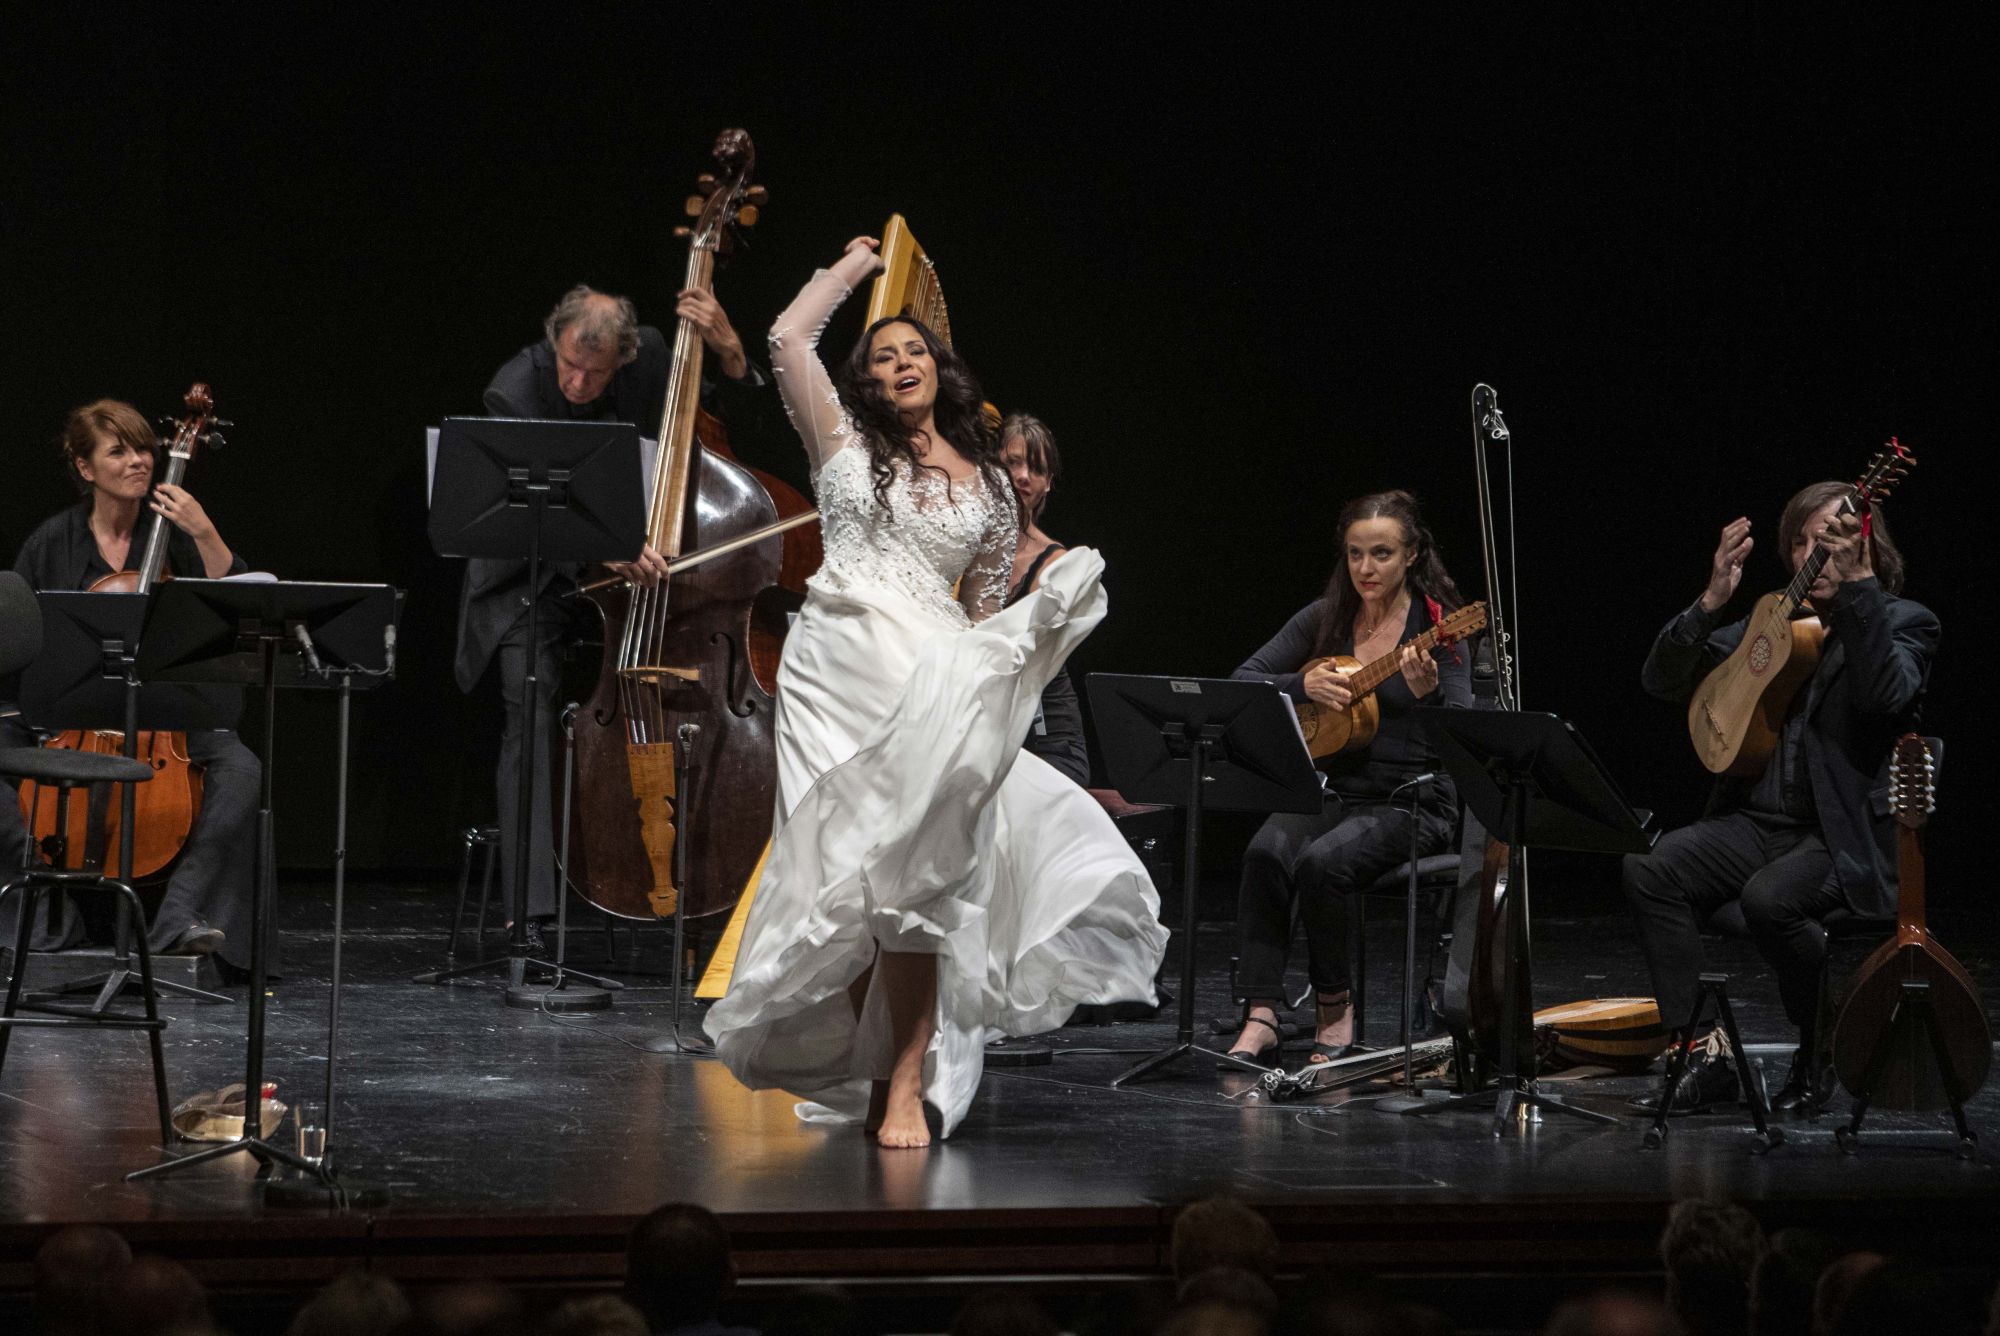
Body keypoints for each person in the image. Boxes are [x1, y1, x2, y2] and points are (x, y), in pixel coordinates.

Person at [703, 236, 1167, 1148]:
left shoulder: (989, 485)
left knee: (917, 887)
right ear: (866, 382)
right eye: (882, 356)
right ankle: (874, 1065)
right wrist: (850, 270)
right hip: (832, 673)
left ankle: (906, 1082)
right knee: (842, 886)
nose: (900, 362)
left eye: (913, 349)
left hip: (929, 679)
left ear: (939, 369)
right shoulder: (840, 440)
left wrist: (1025, 654)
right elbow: (788, 338)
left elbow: (985, 613)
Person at [453, 284, 767, 954]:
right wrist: (606, 546)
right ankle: (529, 917)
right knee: (529, 712)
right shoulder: (514, 390)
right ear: (554, 339)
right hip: (531, 580)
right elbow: (522, 516)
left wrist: (731, 353)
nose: (577, 383)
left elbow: (709, 424)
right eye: (569, 365)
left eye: (594, 374)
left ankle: (700, 883)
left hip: (638, 586)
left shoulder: (650, 353)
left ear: (623, 358)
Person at [1623, 483, 1936, 1114]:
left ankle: (1817, 1046)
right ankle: (1700, 1050)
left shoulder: (1904, 620)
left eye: (1828, 540)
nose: (1811, 555)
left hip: (1837, 837)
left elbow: (1885, 698)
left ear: (1863, 545)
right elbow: (1662, 680)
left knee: (1770, 899)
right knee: (1649, 867)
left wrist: (1860, 589)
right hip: (1754, 824)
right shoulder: (1770, 621)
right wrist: (1711, 602)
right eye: (1799, 542)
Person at [2, 399, 258, 966]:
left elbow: (236, 603)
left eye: (144, 448)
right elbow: (17, 634)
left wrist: (205, 531)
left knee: (241, 768)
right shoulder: (52, 542)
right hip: (71, 715)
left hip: (168, 717)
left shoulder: (179, 536)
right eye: (118, 451)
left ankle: (180, 917)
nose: (139, 461)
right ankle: (45, 918)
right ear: (85, 467)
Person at [1223, 490, 1470, 1066]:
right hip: (1335, 792)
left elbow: (1466, 730)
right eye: (1356, 553)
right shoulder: (1328, 616)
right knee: (1264, 851)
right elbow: (1243, 679)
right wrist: (1299, 685)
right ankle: (1261, 1012)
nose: (1366, 568)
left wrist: (1428, 696)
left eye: (1381, 554)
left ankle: (1335, 1008)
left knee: (1321, 864)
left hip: (1412, 800)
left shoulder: (1439, 628)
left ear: (1411, 555)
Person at [999, 412, 1087, 786]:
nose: (1023, 476)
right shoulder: (961, 548)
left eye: (1036, 469)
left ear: (1048, 482)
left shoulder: (1055, 563)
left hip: (1045, 740)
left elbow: (1014, 661)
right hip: (984, 728)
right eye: (1012, 463)